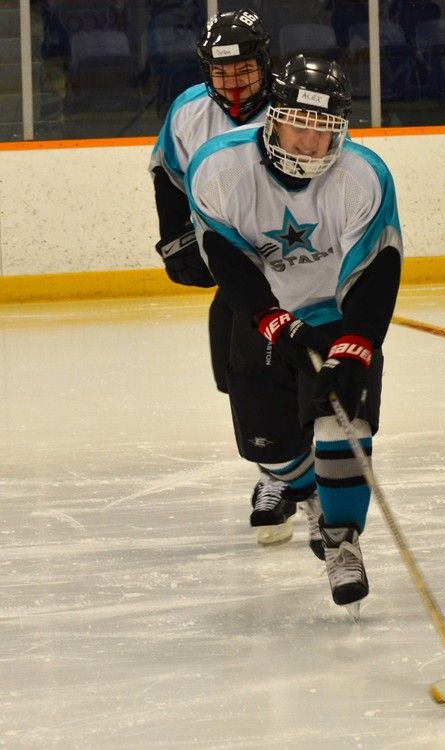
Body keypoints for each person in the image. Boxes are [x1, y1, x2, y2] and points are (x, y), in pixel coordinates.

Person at [185, 55, 403, 611]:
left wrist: (355, 348)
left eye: (323, 130)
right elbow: (224, 259)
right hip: (261, 312)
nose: (309, 144)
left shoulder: (363, 175)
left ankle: (342, 542)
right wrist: (274, 321)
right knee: (273, 451)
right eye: (298, 126)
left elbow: (377, 267)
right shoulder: (217, 168)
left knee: (343, 419)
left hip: (337, 310)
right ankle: (304, 491)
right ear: (273, 119)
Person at [148, 9, 322, 554]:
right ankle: (279, 469)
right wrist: (176, 238)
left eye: (243, 70)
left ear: (264, 65)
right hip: (236, 272)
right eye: (221, 74)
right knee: (236, 378)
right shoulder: (189, 111)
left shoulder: (297, 108)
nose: (233, 83)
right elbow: (167, 174)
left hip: (299, 268)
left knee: (299, 376)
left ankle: (307, 488)